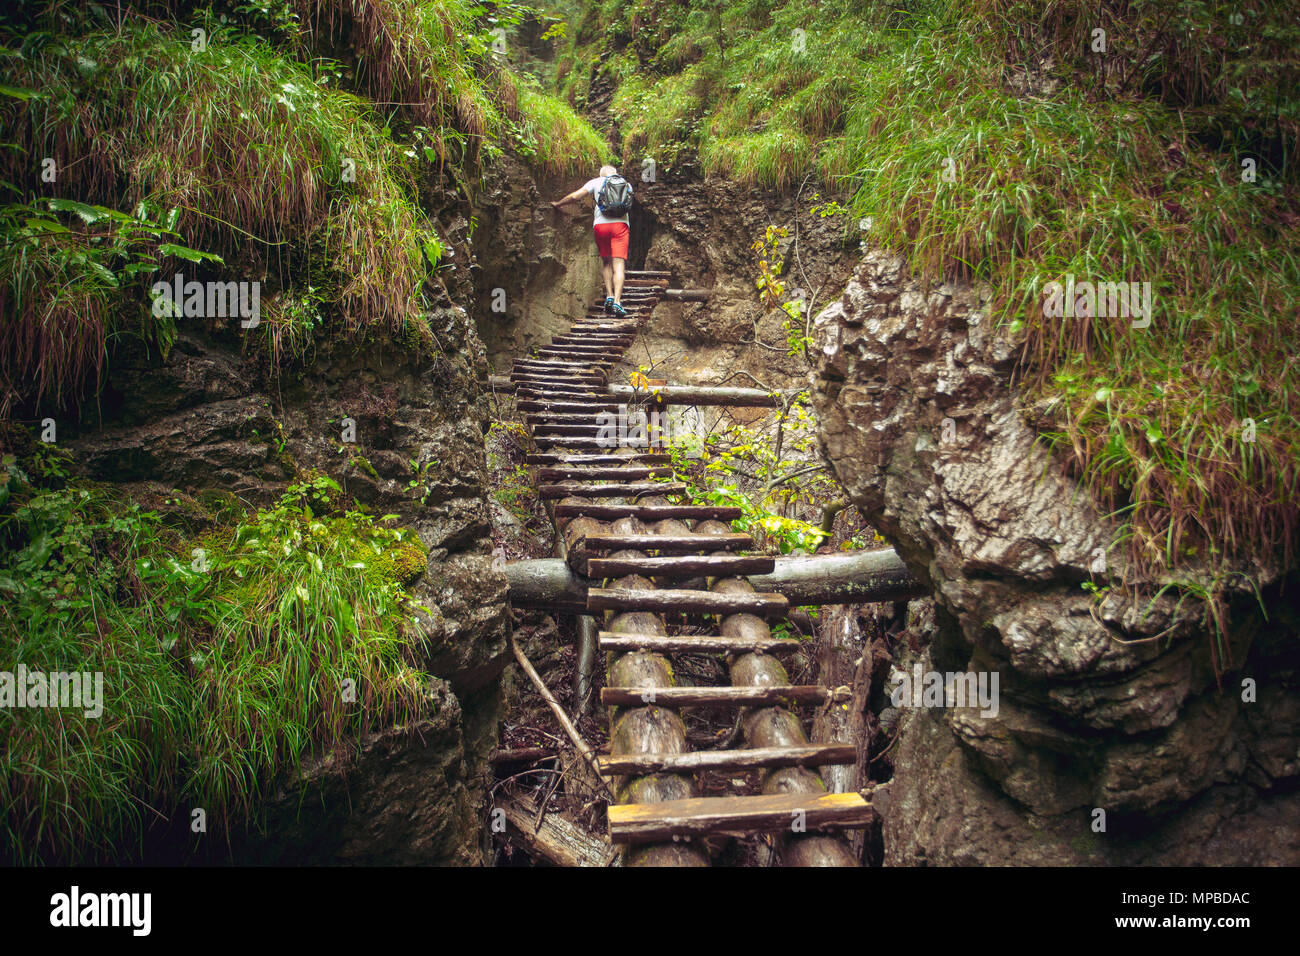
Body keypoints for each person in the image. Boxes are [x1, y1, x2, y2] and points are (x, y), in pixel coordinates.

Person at [551, 165, 633, 317]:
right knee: (619, 264)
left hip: (601, 226)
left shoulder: (595, 182)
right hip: (620, 226)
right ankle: (617, 302)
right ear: (615, 173)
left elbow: (576, 197)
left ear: (601, 174)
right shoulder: (626, 184)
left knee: (606, 262)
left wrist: (558, 203)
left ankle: (608, 295)